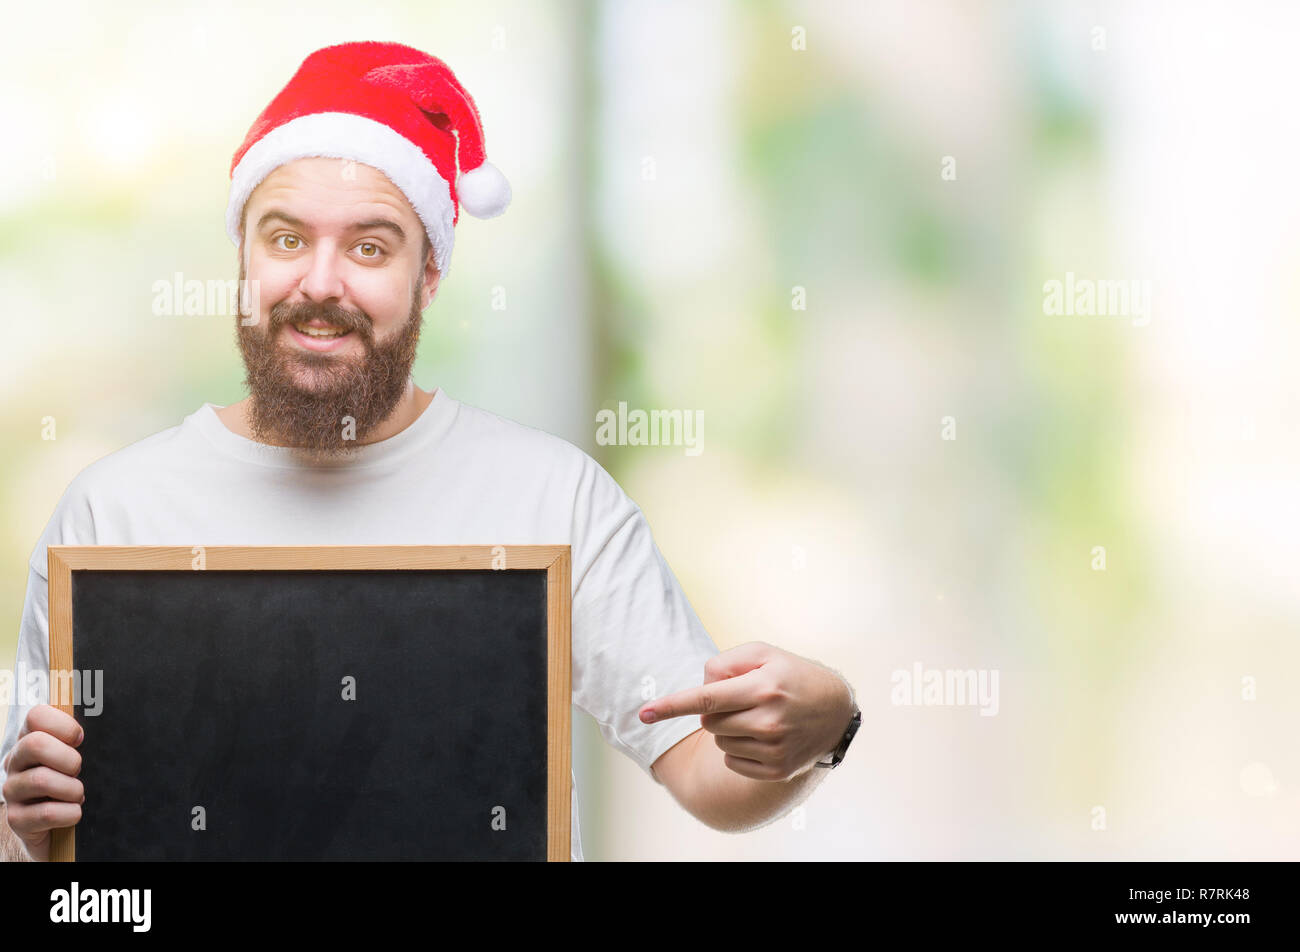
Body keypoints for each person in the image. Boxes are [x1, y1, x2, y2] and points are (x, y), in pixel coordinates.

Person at [0, 41, 859, 863]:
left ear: (430, 277)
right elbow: (36, 836)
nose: (321, 283)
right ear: (244, 257)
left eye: (370, 247)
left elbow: (709, 776)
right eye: (286, 239)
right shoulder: (114, 512)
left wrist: (829, 731)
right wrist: (25, 833)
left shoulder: (553, 498)